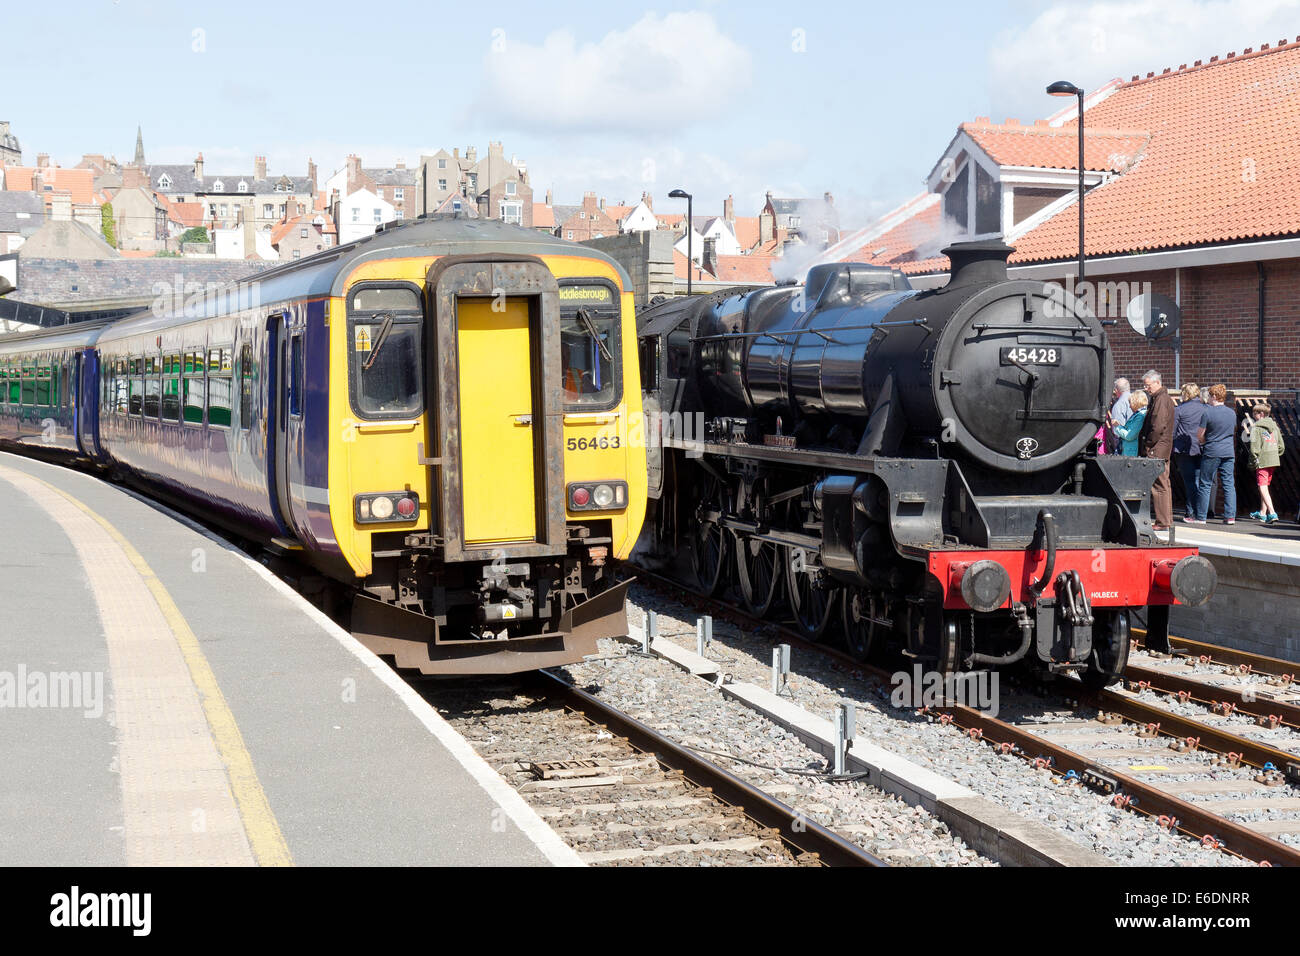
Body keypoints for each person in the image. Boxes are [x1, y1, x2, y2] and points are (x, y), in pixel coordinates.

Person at [1190, 384, 1237, 525]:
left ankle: (1201, 517)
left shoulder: (1208, 413)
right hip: (1228, 451)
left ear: (1215, 397)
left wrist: (1204, 442)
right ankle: (1230, 517)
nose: (1209, 398)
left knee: (1205, 483)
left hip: (1212, 451)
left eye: (1210, 396)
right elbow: (1232, 431)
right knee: (1229, 483)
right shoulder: (1232, 413)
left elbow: (1200, 434)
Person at [1139, 370, 1175, 530]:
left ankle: (1162, 521)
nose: (1146, 388)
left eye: (1148, 385)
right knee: (1164, 484)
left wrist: (1149, 444)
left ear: (1157, 382)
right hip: (1162, 447)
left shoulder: (1161, 399)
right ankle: (1166, 520)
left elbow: (1158, 425)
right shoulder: (1162, 398)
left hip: (1157, 449)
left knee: (1159, 485)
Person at [1248, 402, 1285, 524]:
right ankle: (1263, 513)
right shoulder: (1275, 427)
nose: (1253, 415)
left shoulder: (1256, 428)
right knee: (1265, 486)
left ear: (1261, 414)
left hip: (1262, 461)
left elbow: (1254, 448)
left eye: (1255, 413)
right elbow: (1281, 446)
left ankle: (1272, 512)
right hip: (1273, 460)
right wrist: (1274, 455)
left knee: (1262, 487)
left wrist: (1254, 460)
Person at [1172, 383, 1205, 520]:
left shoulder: (1180, 409)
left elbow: (1173, 431)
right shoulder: (1205, 408)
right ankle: (1199, 511)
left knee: (1189, 482)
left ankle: (1191, 511)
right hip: (1201, 447)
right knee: (1198, 481)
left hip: (1184, 449)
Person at [1108, 390, 1148, 457]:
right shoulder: (1138, 414)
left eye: (1130, 403)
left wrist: (1118, 426)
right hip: (1129, 451)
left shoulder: (1140, 416)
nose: (1129, 406)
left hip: (1131, 453)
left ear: (1135, 402)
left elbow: (1129, 436)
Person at [1107, 377, 1132, 454]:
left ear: (1117, 390)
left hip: (1123, 443)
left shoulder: (1118, 405)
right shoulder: (1137, 400)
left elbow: (1117, 430)